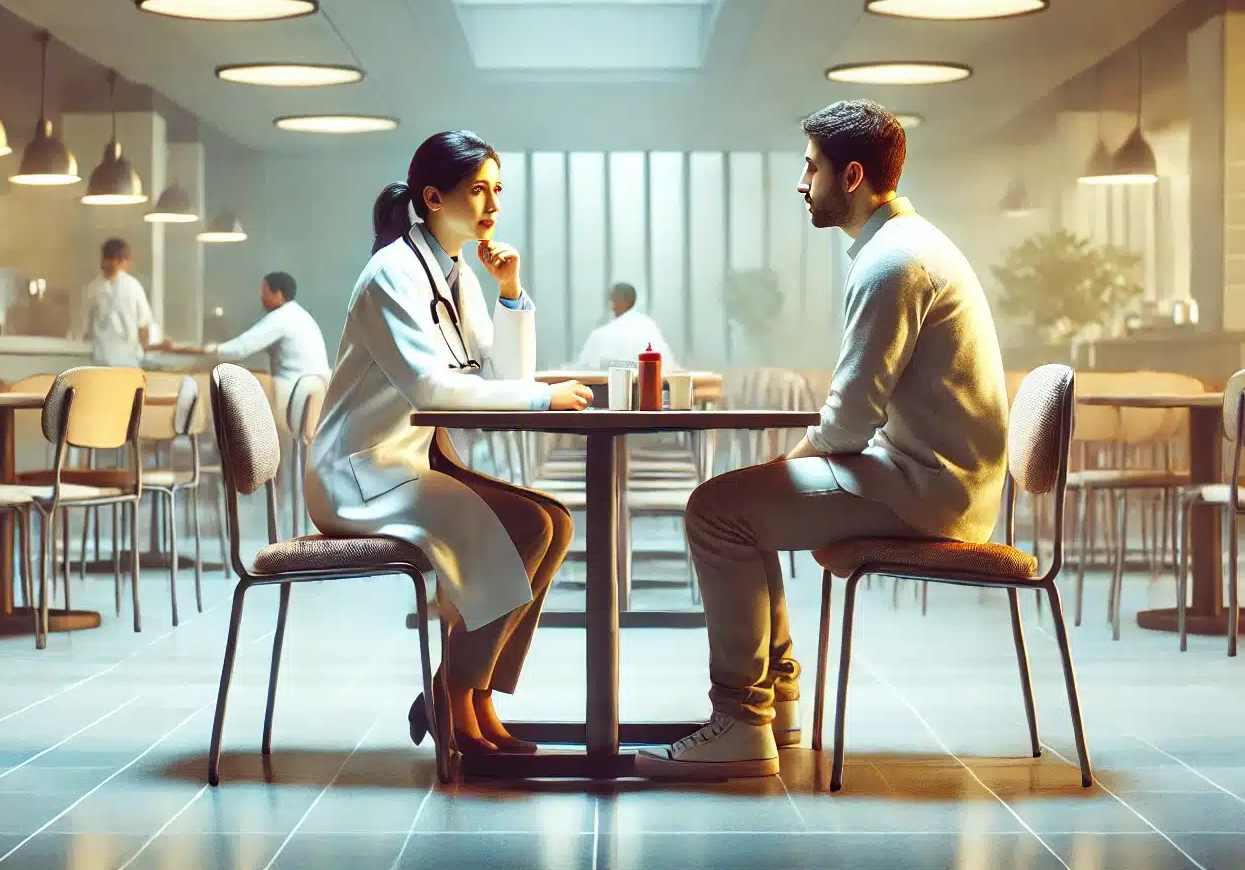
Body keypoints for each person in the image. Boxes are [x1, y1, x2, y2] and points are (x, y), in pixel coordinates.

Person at [635, 100, 1009, 780]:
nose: (801, 182)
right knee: (746, 502)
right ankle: (774, 710)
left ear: (853, 176)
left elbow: (849, 421)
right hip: (939, 479)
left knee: (718, 509)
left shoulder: (891, 265)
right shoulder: (908, 246)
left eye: (811, 168)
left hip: (928, 493)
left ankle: (743, 721)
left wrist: (790, 463)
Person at [305, 130, 593, 755]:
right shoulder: (391, 274)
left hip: (410, 462)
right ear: (433, 198)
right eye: (477, 190)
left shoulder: (455, 273)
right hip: (359, 473)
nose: (492, 204)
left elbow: (499, 378)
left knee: (552, 523)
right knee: (528, 530)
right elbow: (432, 390)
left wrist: (510, 290)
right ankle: (458, 697)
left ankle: (467, 689)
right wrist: (543, 398)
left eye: (497, 190)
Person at [156, 271, 329, 432]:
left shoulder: (281, 319)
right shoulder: (299, 316)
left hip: (294, 393)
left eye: (265, 292)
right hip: (312, 391)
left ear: (278, 294)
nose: (262, 298)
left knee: (223, 384)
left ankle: (226, 447)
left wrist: (188, 350)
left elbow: (239, 349)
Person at [72, 238, 156, 367]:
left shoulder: (133, 287)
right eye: (108, 259)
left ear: (123, 262)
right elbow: (80, 326)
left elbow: (143, 324)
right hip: (101, 359)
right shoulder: (93, 289)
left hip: (129, 360)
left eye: (117, 260)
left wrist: (146, 352)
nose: (111, 264)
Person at [576, 283, 675, 370]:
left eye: (613, 299)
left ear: (624, 300)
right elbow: (667, 363)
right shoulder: (649, 327)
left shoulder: (606, 333)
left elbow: (589, 365)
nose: (611, 304)